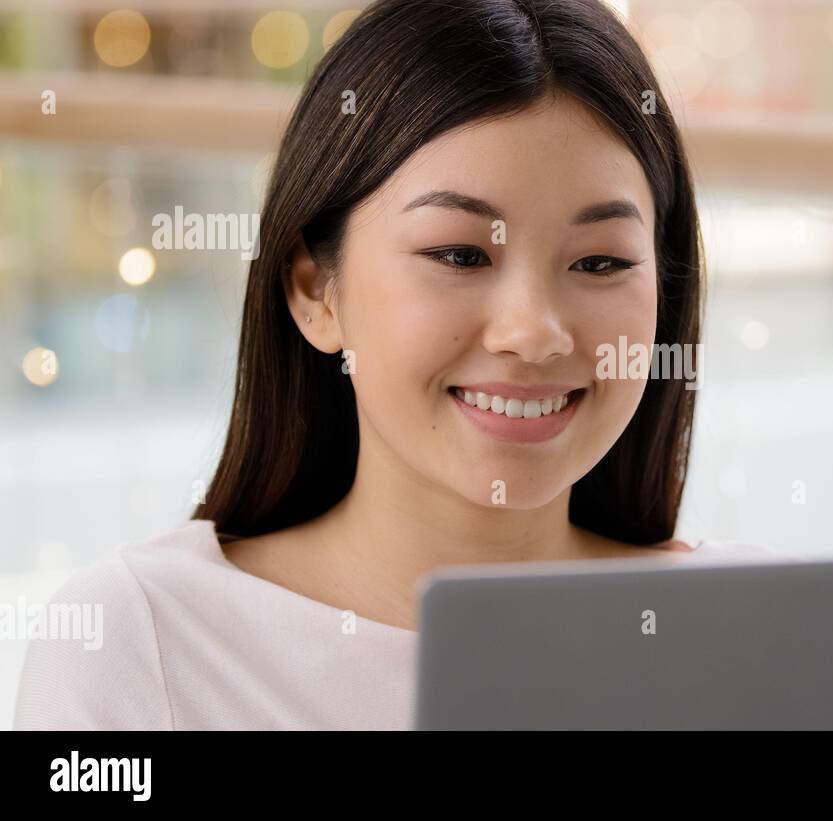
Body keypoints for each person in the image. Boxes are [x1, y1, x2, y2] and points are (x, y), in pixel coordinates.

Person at [13, 0, 787, 731]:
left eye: (598, 262)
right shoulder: (140, 645)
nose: (534, 333)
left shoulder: (753, 632)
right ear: (317, 291)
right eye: (459, 253)